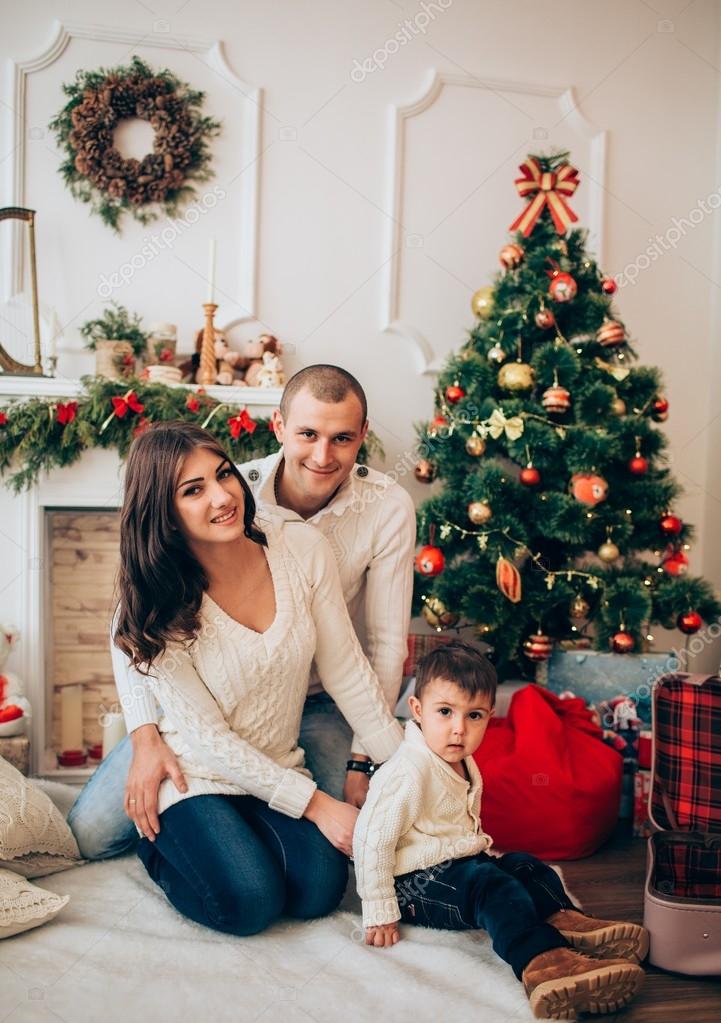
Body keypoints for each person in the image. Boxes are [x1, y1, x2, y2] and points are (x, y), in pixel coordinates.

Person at [67, 365, 415, 858]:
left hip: (321, 701)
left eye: (341, 438)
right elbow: (131, 622)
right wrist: (145, 736)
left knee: (347, 831)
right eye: (308, 434)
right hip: (212, 700)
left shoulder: (386, 507)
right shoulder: (230, 491)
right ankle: (202, 833)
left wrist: (368, 762)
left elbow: (381, 648)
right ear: (278, 427)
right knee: (91, 835)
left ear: (363, 436)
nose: (322, 455)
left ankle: (234, 833)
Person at [110, 421, 403, 935]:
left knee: (318, 891)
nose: (222, 496)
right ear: (165, 513)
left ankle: (236, 843)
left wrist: (407, 769)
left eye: (223, 475)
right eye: (193, 490)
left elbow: (347, 670)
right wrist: (317, 807)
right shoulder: (160, 602)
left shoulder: (300, 549)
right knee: (249, 903)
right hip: (195, 773)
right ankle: (157, 848)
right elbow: (210, 741)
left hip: (276, 762)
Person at [352, 641, 648, 1021]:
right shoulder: (407, 771)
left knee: (523, 865)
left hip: (457, 864)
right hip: (415, 885)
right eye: (445, 712)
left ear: (489, 717)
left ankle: (564, 922)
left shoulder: (461, 761)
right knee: (491, 887)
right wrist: (378, 909)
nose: (459, 729)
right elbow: (370, 838)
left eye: (473, 716)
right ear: (418, 710)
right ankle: (543, 964)